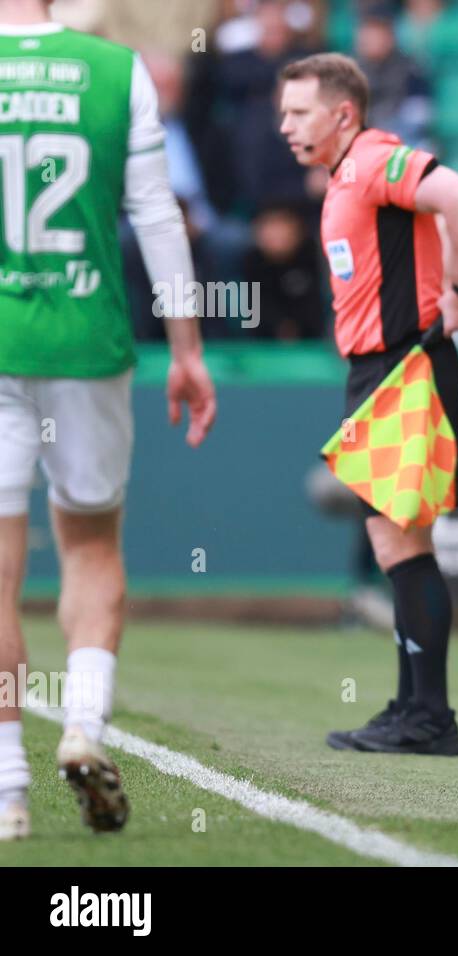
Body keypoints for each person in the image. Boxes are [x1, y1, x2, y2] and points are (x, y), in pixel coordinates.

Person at [0, 0, 217, 842]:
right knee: (90, 546)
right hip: (88, 340)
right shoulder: (113, 68)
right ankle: (83, 723)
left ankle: (9, 790)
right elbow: (158, 216)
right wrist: (188, 347)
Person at [278, 52, 458, 756]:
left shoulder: (372, 160)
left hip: (406, 364)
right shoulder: (343, 177)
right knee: (397, 543)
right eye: (283, 113)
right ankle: (414, 707)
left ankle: (431, 717)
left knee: (401, 543)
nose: (286, 126)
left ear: (343, 113)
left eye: (298, 112)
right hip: (380, 370)